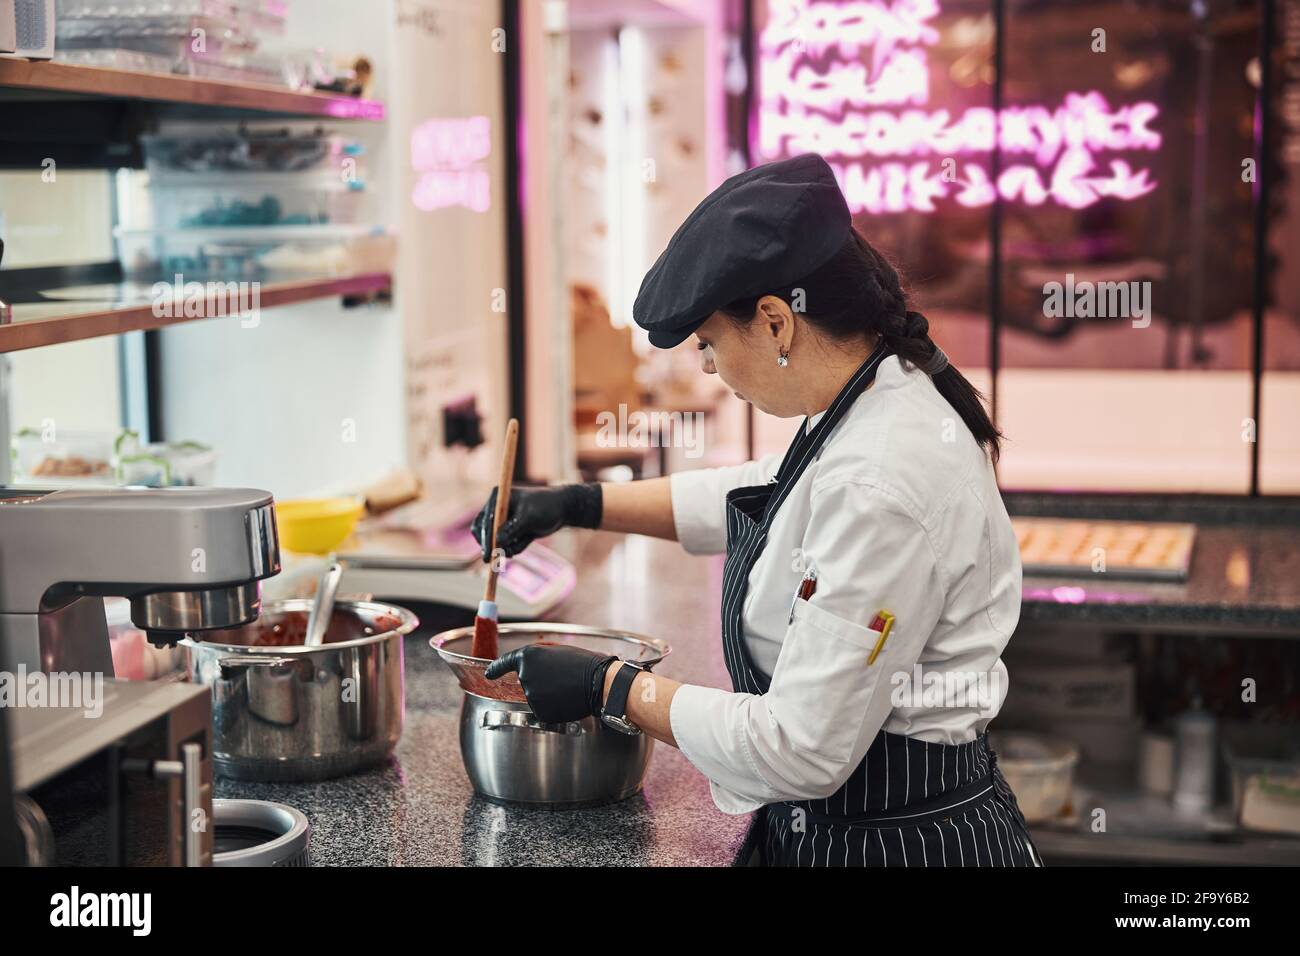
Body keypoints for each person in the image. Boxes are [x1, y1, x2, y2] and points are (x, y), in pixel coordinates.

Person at [474, 153, 1041, 867]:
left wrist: (610, 687)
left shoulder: (882, 478)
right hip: (842, 827)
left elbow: (799, 747)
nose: (709, 368)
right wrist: (578, 504)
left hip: (895, 843)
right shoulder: (869, 396)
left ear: (776, 323)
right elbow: (764, 490)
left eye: (708, 345)